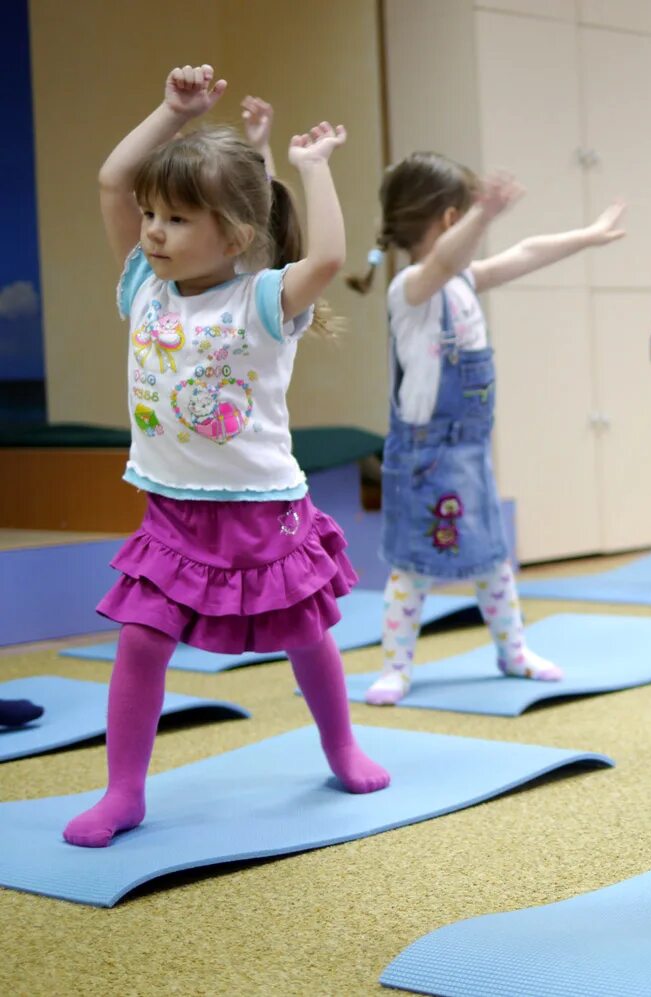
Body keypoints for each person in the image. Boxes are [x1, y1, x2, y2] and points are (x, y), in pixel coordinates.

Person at [64, 65, 388, 847]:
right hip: (171, 509)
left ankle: (340, 743)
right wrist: (172, 113)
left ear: (236, 236)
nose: (150, 230)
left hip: (262, 511)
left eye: (174, 219)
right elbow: (114, 181)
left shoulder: (264, 300)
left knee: (306, 632)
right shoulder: (142, 286)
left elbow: (328, 257)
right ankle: (124, 790)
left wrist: (313, 171)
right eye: (151, 214)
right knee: (141, 641)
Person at [348, 153, 626, 705]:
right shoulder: (411, 289)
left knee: (491, 556)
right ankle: (396, 667)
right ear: (450, 221)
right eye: (465, 223)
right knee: (412, 565)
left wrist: (588, 236)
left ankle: (512, 651)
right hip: (423, 455)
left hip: (468, 451)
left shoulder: (462, 282)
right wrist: (484, 215)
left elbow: (525, 253)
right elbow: (442, 261)